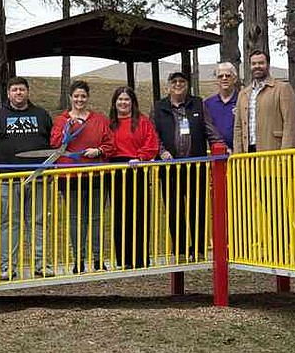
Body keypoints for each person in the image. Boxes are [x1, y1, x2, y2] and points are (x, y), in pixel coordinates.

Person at [0, 77, 54, 279]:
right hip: (8, 180)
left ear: (27, 92)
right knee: (9, 223)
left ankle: (41, 264)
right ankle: (8, 267)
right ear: (8, 93)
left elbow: (52, 143)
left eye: (22, 89)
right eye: (14, 90)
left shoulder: (41, 115)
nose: (18, 93)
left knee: (38, 222)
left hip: (37, 179)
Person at [152, 71, 225, 261]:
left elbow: (210, 129)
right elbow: (153, 135)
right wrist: (162, 152)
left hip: (195, 166)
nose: (178, 84)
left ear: (187, 85)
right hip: (170, 169)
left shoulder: (198, 104)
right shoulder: (159, 107)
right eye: (174, 81)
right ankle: (181, 250)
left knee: (197, 208)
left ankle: (199, 249)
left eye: (182, 81)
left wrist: (222, 147)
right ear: (168, 85)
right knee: (175, 209)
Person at [51, 80, 114, 274]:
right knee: (75, 218)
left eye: (83, 96)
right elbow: (54, 144)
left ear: (87, 98)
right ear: (71, 98)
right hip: (69, 177)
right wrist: (66, 130)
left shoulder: (100, 120)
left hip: (95, 175)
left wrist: (99, 150)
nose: (80, 99)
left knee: (95, 218)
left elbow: (110, 144)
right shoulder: (61, 120)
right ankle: (78, 259)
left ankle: (97, 258)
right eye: (76, 96)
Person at [108, 86, 159, 269]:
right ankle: (123, 259)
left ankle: (141, 257)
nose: (123, 103)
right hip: (115, 171)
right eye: (120, 99)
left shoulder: (142, 122)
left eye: (127, 100)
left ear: (133, 102)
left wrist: (140, 157)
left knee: (140, 214)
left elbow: (152, 144)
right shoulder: (109, 124)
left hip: (136, 169)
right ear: (115, 103)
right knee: (120, 215)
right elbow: (104, 145)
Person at [233, 50, 295, 153]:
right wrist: (237, 154)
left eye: (261, 63)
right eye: (254, 64)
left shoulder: (282, 88)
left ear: (268, 64)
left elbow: (290, 123)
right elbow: (238, 127)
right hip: (248, 152)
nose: (257, 66)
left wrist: (286, 153)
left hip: (274, 150)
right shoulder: (243, 93)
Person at [203, 62, 239, 150]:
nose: (224, 78)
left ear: (235, 79)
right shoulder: (208, 103)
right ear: (216, 80)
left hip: (239, 154)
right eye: (220, 76)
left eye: (228, 75)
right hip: (217, 154)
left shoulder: (242, 100)